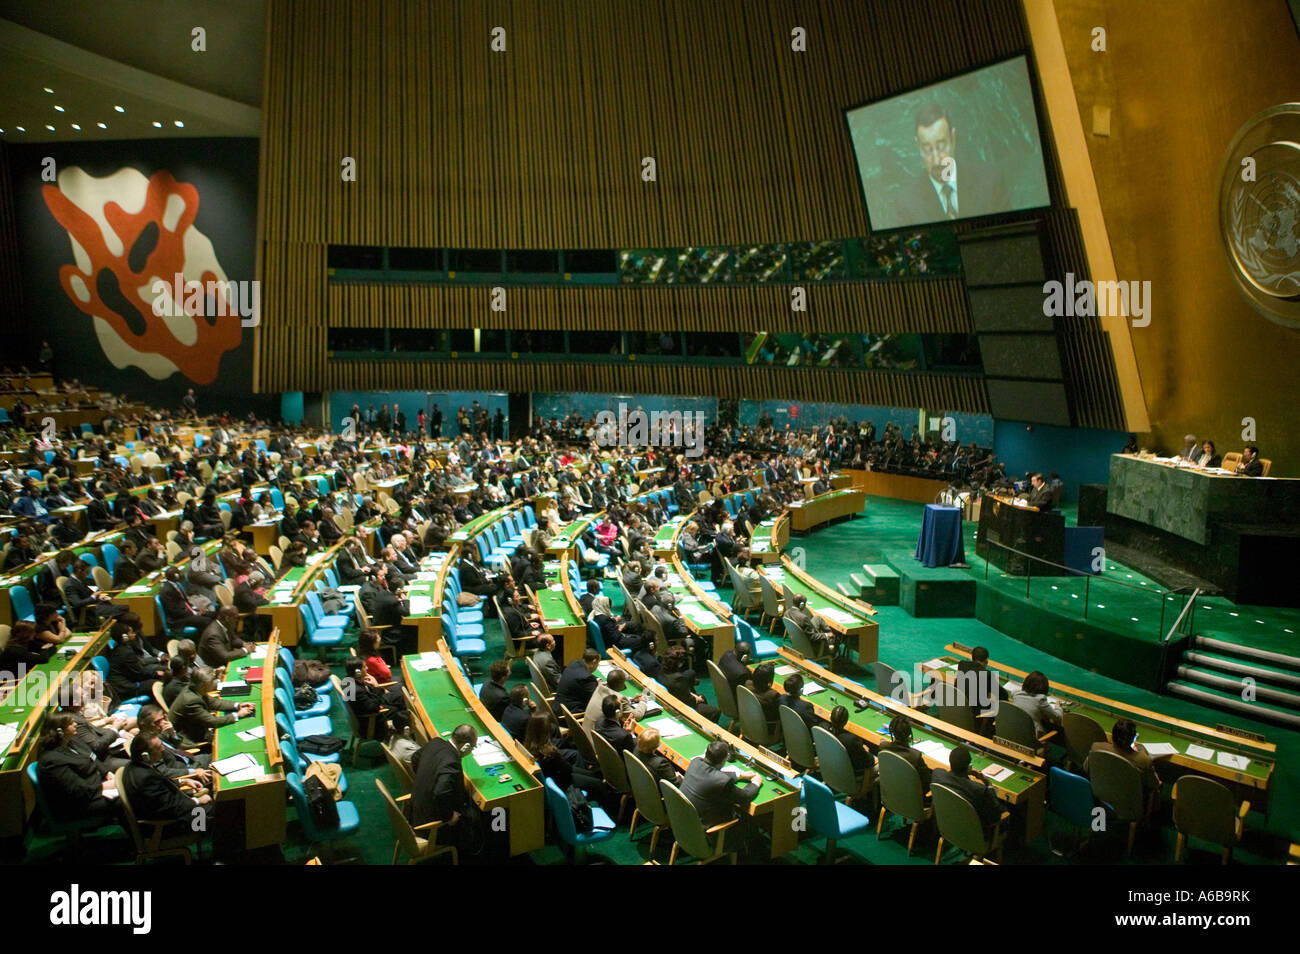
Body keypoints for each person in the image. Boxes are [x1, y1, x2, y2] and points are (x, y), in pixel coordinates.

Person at [892, 102, 1009, 225]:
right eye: (927, 150)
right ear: (918, 147)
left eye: (941, 147)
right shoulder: (907, 205)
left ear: (953, 139)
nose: (936, 160)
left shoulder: (990, 182)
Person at [36, 712, 120, 823]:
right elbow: (77, 791)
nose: (75, 724)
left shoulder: (72, 740)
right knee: (128, 796)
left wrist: (107, 773)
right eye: (71, 723)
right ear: (60, 731)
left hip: (94, 786)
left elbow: (92, 757)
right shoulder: (51, 760)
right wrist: (104, 786)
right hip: (78, 805)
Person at [410, 724, 482, 852]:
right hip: (430, 826)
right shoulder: (451, 762)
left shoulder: (435, 742)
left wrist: (426, 779)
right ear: (466, 747)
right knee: (476, 816)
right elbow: (440, 792)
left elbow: (415, 758)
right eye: (473, 746)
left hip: (415, 809)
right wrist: (449, 816)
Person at [123, 733, 212, 836]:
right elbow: (171, 808)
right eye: (158, 747)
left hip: (173, 813)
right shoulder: (145, 778)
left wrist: (183, 781)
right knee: (219, 809)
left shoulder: (134, 766)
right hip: (169, 826)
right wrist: (197, 801)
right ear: (145, 755)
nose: (163, 750)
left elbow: (161, 783)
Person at [680, 739, 761, 828]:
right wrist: (756, 782)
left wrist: (739, 775)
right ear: (725, 759)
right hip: (705, 831)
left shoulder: (695, 762)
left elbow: (710, 775)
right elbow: (745, 797)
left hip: (682, 822)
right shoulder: (723, 782)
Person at [1083, 718, 1161, 810]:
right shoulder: (1143, 760)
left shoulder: (1096, 747)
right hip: (1129, 802)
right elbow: (1155, 784)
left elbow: (1086, 768)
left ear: (1112, 736)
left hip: (1102, 794)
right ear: (1133, 739)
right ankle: (1145, 820)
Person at [168, 667, 255, 745]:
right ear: (204, 685)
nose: (215, 682)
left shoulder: (194, 688)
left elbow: (213, 702)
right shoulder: (191, 701)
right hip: (190, 737)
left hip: (196, 727)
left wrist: (237, 705)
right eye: (213, 681)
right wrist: (237, 715)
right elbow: (213, 722)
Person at [930, 745, 1001, 833]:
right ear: (969, 766)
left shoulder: (937, 774)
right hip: (973, 833)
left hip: (947, 824)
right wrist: (987, 783)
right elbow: (995, 815)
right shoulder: (979, 789)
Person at [828, 705, 875, 791]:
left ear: (830, 718)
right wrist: (866, 751)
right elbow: (869, 762)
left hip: (831, 770)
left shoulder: (824, 729)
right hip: (852, 776)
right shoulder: (851, 740)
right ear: (845, 721)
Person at [880, 713, 931, 789]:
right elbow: (927, 781)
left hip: (892, 789)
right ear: (909, 735)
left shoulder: (883, 746)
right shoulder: (915, 756)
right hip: (913, 794)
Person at [1010, 670, 1063, 736]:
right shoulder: (1040, 700)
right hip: (1030, 737)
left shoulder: (1016, 694)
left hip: (1012, 731)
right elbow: (1058, 717)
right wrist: (1058, 706)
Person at [555, 648, 600, 714]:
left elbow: (582, 675)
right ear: (594, 662)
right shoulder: (587, 679)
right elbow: (596, 700)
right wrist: (600, 687)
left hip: (558, 706)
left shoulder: (574, 663)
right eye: (598, 663)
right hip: (568, 715)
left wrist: (596, 679)